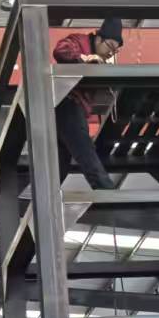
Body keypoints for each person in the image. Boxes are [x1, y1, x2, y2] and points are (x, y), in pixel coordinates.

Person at [53, 17, 126, 191]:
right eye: (110, 46)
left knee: (60, 163)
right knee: (85, 150)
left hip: (73, 109)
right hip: (67, 102)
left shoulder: (99, 62)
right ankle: (106, 191)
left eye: (115, 51)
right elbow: (60, 50)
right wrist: (84, 59)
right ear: (99, 38)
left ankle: (39, 197)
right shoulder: (79, 41)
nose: (111, 53)